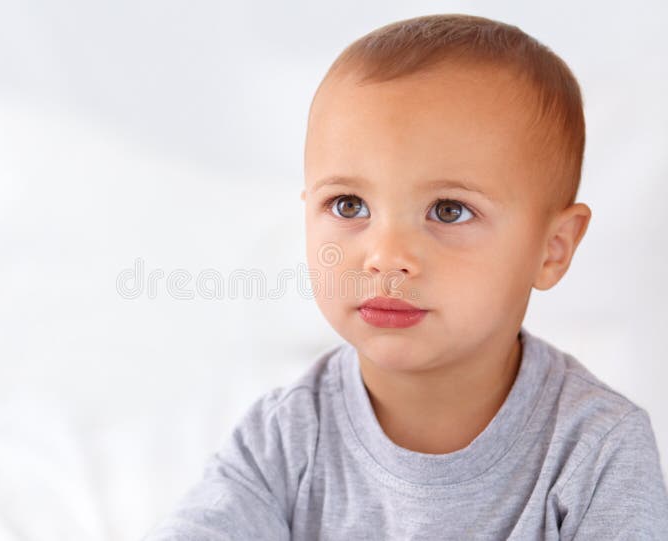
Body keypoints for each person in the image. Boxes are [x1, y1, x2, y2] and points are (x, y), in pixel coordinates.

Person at [143, 13, 668, 540]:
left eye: (448, 211)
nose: (385, 257)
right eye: (349, 205)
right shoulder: (283, 438)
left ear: (552, 249)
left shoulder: (598, 450)